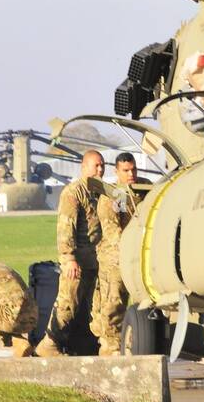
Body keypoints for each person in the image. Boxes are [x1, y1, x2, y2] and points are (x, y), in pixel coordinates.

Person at [34, 150, 105, 357]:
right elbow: (66, 228)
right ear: (84, 167)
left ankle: (89, 345)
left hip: (97, 261)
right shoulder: (74, 192)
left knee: (94, 307)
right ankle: (49, 345)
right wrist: (69, 259)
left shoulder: (105, 192)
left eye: (102, 166)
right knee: (68, 304)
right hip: (78, 261)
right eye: (96, 166)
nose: (100, 170)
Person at [89, 153, 141, 355]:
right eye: (126, 171)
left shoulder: (143, 188)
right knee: (114, 301)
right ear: (116, 171)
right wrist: (128, 252)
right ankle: (110, 345)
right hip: (115, 256)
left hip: (137, 254)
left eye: (133, 169)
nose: (131, 174)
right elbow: (113, 231)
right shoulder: (114, 195)